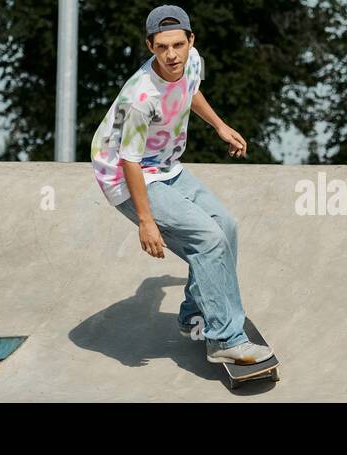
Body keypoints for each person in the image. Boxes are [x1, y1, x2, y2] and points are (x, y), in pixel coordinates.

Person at [88, 5, 272, 365]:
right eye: (161, 48)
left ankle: (194, 315)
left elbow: (190, 91)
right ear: (150, 47)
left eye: (177, 45)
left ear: (191, 40)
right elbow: (129, 161)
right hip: (126, 176)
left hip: (166, 166)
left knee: (226, 227)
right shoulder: (141, 97)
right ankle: (225, 339)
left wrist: (219, 126)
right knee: (207, 239)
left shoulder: (192, 61)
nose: (171, 55)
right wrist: (146, 221)